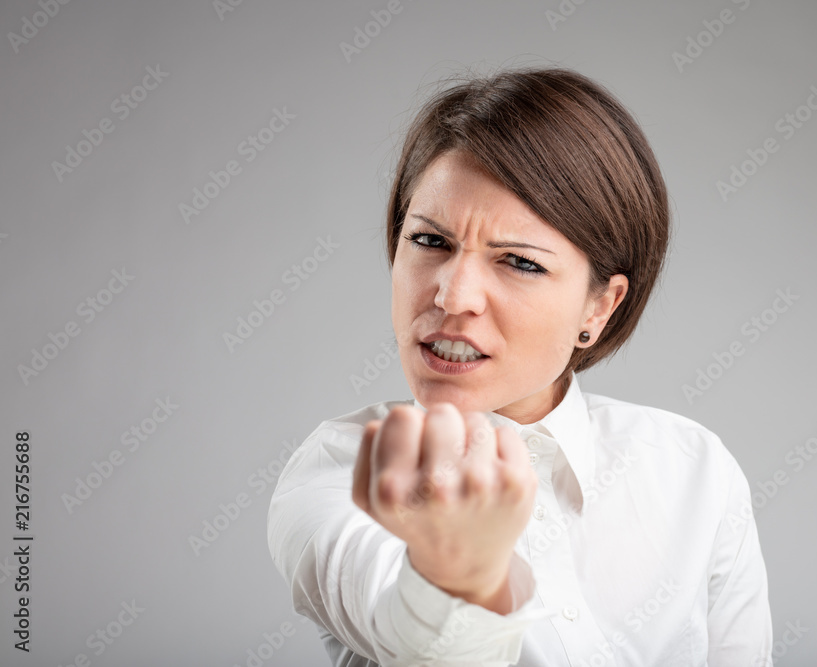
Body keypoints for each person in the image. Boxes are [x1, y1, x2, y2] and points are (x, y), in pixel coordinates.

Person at [267, 65, 773, 667]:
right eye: (430, 241)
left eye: (520, 262)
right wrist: (462, 575)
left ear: (600, 306)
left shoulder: (693, 469)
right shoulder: (344, 469)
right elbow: (416, 642)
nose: (453, 296)